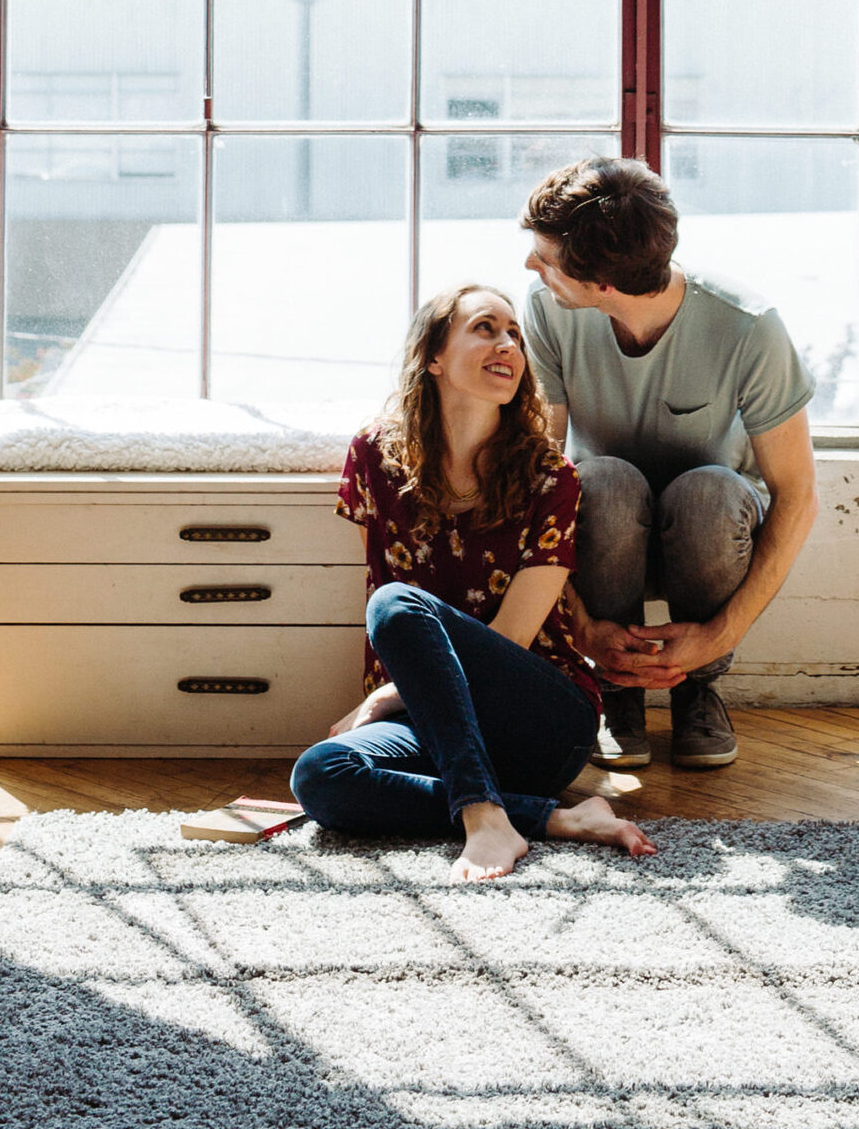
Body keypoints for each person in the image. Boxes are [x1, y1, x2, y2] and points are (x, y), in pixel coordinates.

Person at [291, 282, 659, 883]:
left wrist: (386, 695)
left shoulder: (550, 476)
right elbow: (378, 564)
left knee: (395, 606)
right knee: (321, 776)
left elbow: (508, 638)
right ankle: (556, 820)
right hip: (433, 720)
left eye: (514, 333)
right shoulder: (374, 458)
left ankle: (487, 817)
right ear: (433, 357)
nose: (508, 343)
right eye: (486, 328)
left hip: (541, 719)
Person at [521, 157, 819, 774]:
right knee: (601, 477)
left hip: (712, 534)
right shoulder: (547, 310)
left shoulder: (749, 327)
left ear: (602, 283)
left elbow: (798, 496)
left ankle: (696, 689)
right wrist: (580, 626)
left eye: (545, 257)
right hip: (604, 529)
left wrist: (720, 636)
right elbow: (542, 479)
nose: (531, 266)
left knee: (708, 491)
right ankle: (619, 690)